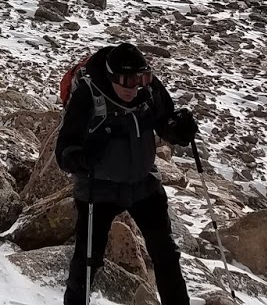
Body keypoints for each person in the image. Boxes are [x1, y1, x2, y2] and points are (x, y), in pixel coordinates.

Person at [55, 42, 199, 305]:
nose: (133, 87)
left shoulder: (149, 90)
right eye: (126, 81)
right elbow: (63, 151)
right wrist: (82, 157)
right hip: (98, 189)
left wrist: (179, 130)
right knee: (88, 260)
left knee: (165, 254)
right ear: (110, 76)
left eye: (139, 79)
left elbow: (165, 121)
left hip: (142, 183)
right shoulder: (87, 95)